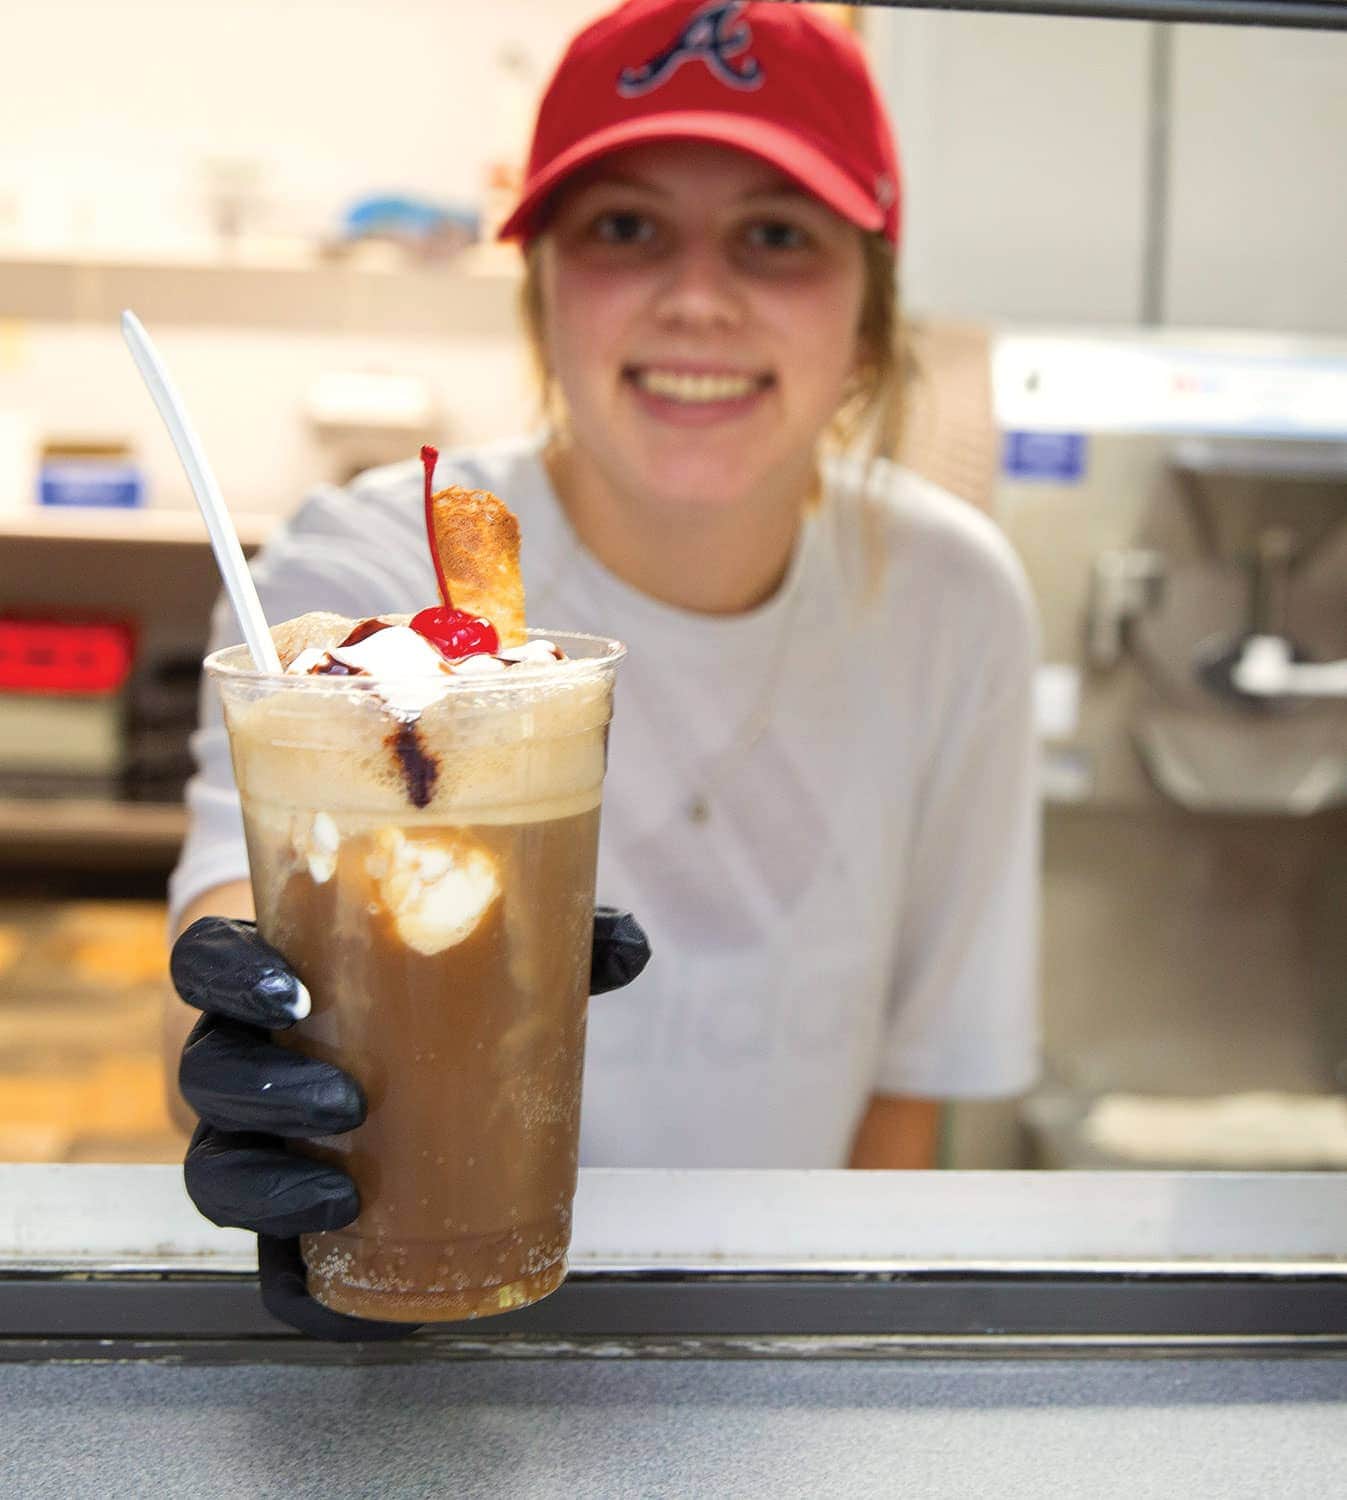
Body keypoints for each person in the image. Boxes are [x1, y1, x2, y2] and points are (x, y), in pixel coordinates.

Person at [165, 0, 1040, 1337]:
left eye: (777, 234)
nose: (699, 296)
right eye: (626, 227)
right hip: (409, 1325)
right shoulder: (368, 567)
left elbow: (910, 1091)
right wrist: (242, 1052)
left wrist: (831, 1371)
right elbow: (235, 900)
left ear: (870, 315)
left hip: (765, 1351)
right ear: (542, 291)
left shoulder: (952, 603)